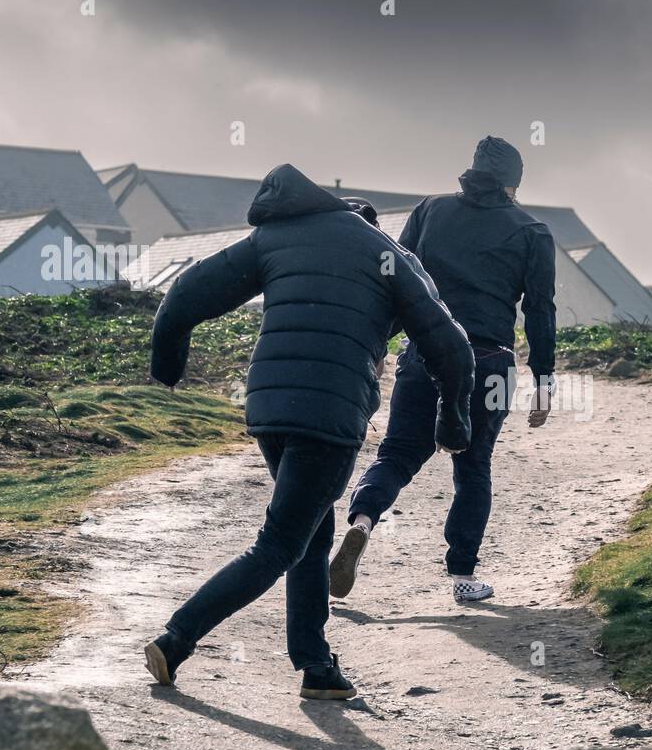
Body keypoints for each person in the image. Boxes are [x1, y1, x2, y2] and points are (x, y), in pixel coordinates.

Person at [143, 164, 474, 699]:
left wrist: (166, 367)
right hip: (330, 416)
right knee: (277, 545)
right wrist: (453, 419)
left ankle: (316, 667)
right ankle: (177, 638)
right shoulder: (387, 256)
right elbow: (451, 345)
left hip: (270, 409)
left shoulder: (277, 236)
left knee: (311, 534)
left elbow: (185, 294)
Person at [330, 135, 557, 603]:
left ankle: (362, 522)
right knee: (473, 465)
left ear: (470, 170)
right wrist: (544, 379)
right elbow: (540, 309)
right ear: (515, 183)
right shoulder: (532, 230)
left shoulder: (430, 210)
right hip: (491, 363)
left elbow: (395, 281)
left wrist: (377, 347)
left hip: (425, 353)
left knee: (395, 455)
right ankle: (462, 577)